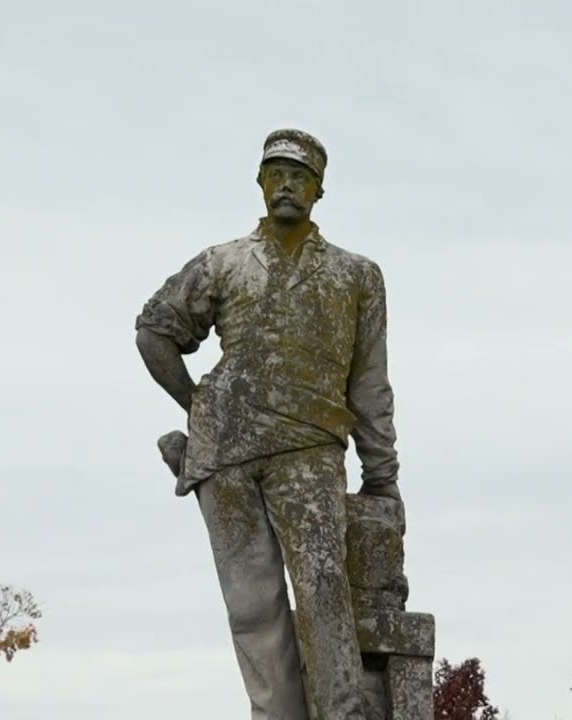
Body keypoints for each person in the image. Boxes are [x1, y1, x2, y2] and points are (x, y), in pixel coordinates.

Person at [134, 128, 403, 719]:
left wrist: (381, 474)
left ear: (319, 189)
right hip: (225, 456)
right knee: (252, 608)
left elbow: (369, 383)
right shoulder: (224, 262)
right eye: (276, 174)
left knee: (324, 592)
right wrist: (199, 408)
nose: (286, 185)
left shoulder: (356, 275)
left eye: (299, 176)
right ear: (259, 183)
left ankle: (342, 714)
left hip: (309, 449)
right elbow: (154, 331)